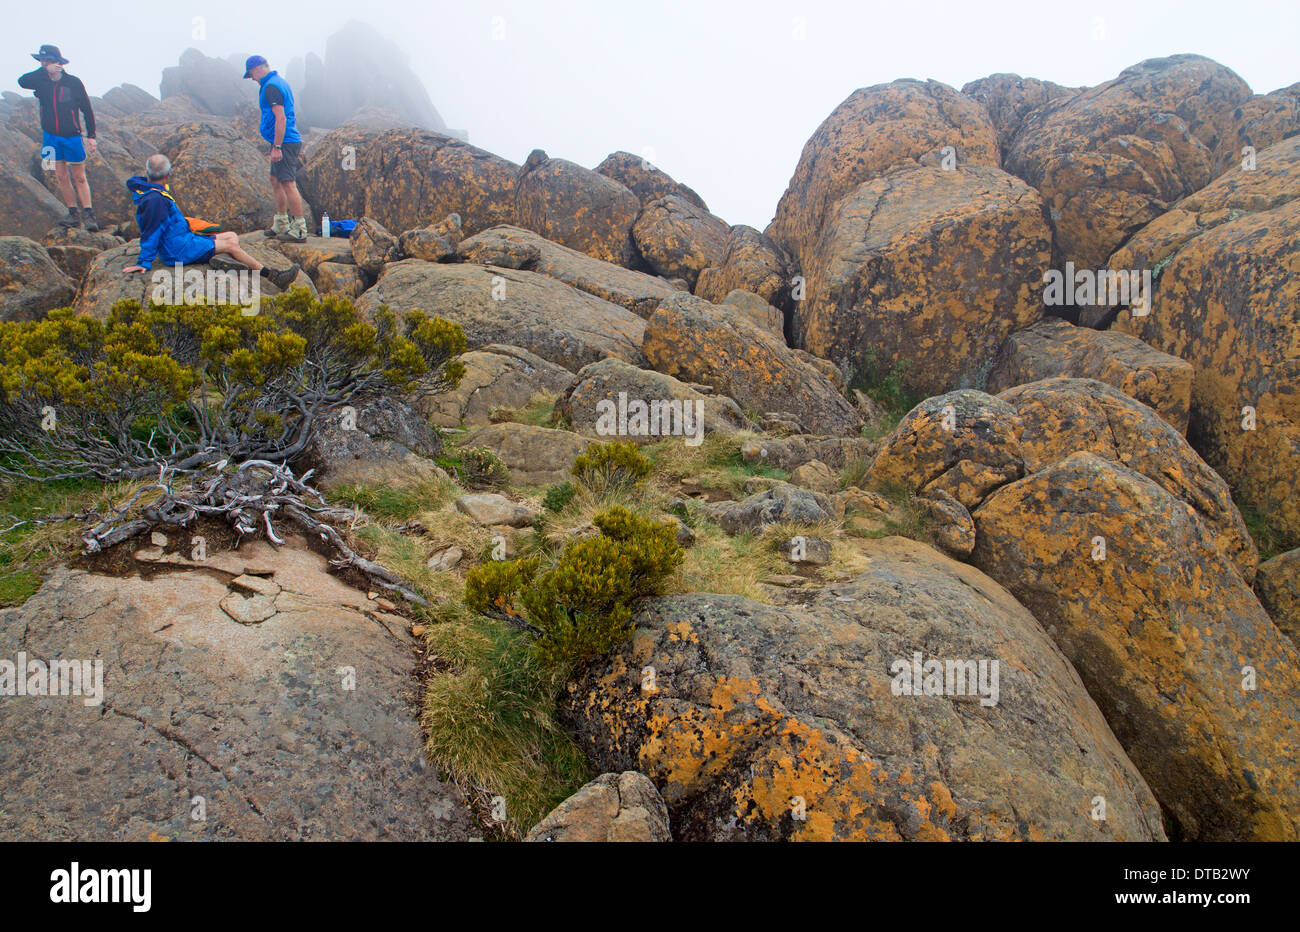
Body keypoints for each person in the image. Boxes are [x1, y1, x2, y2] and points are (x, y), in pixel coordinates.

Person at [122, 154, 300, 289]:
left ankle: (221, 259)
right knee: (232, 246)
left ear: (147, 174)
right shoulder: (156, 200)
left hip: (183, 239)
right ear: (168, 175)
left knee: (231, 235)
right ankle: (273, 277)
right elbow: (151, 232)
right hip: (177, 250)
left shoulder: (152, 191)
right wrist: (143, 262)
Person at [18, 44, 100, 231]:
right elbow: (22, 81)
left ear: (59, 62)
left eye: (48, 60)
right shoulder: (40, 81)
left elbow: (87, 109)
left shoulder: (73, 82)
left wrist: (91, 136)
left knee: (79, 177)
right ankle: (73, 213)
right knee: (61, 176)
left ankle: (88, 214)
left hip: (72, 136)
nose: (45, 63)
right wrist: (42, 71)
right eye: (42, 60)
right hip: (50, 136)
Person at [243, 55, 307, 243]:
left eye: (251, 75)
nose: (252, 79)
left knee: (288, 183)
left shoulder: (271, 87)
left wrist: (277, 147)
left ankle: (299, 229)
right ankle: (281, 222)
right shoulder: (276, 82)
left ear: (257, 69)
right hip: (281, 141)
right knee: (275, 179)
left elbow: (281, 118)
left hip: (285, 142)